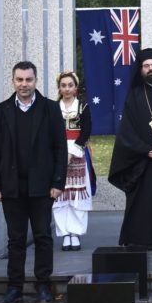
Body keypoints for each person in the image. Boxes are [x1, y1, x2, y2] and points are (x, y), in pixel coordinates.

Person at [0, 61, 67, 303]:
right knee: (16, 239)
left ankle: (43, 286)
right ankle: (14, 287)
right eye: (19, 80)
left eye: (28, 80)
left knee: (43, 236)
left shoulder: (50, 109)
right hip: (12, 187)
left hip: (42, 187)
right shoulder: (1, 111)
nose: (24, 84)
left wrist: (57, 182)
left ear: (35, 80)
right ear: (13, 81)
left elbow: (59, 149)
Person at [110, 48, 152, 250]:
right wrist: (144, 150)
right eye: (146, 66)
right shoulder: (133, 96)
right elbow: (126, 131)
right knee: (140, 201)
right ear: (140, 69)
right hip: (141, 161)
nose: (150, 69)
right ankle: (138, 239)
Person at [52, 70, 95, 251]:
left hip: (78, 152)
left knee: (77, 195)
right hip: (57, 153)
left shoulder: (82, 106)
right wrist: (60, 152)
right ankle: (65, 233)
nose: (67, 89)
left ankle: (75, 233)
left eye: (70, 85)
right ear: (59, 88)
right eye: (63, 85)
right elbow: (51, 131)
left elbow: (86, 130)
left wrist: (73, 151)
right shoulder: (53, 107)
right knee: (59, 196)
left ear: (75, 87)